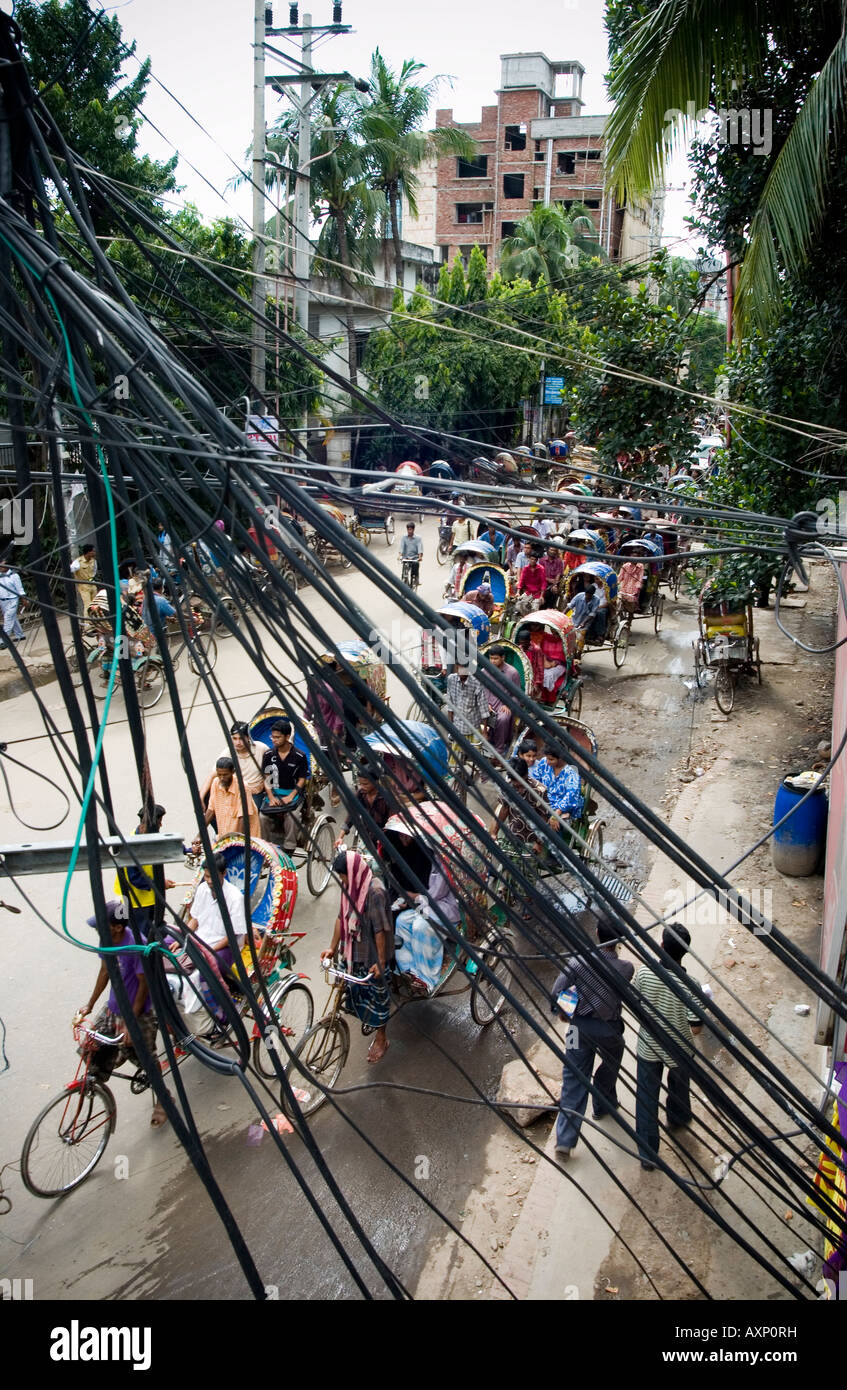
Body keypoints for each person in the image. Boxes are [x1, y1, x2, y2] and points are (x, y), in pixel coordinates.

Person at [78, 899, 167, 1127]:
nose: (98, 931)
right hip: (113, 1007)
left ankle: (163, 1098)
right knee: (90, 1048)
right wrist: (89, 1004)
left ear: (117, 926)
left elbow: (143, 986)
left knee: (146, 1059)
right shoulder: (106, 942)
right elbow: (104, 971)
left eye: (102, 926)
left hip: (139, 1012)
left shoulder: (136, 946)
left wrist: (130, 1022)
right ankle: (95, 1085)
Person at [551, 918, 635, 1157]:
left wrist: (565, 1012)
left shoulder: (578, 962)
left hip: (576, 1029)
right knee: (611, 1064)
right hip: (609, 1030)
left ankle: (565, 1141)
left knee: (573, 1078)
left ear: (596, 933)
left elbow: (557, 992)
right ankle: (602, 1106)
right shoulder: (626, 968)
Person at [634, 923, 702, 1171]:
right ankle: (679, 1118)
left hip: (648, 1046)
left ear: (661, 946)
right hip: (680, 1048)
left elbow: (637, 1003)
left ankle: (648, 1154)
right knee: (680, 1085)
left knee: (646, 1097)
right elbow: (696, 1027)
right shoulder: (691, 984)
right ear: (685, 952)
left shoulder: (644, 973)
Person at [322, 851, 393, 1062]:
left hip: (373, 954)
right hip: (352, 949)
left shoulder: (375, 892)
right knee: (344, 984)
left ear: (352, 873)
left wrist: (380, 962)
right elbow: (340, 917)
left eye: (344, 876)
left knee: (378, 998)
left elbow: (380, 930)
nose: (342, 881)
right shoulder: (349, 886)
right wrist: (332, 948)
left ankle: (382, 1038)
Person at [394, 853, 461, 994]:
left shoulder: (446, 859)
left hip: (446, 908)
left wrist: (415, 896)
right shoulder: (431, 855)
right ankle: (409, 970)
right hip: (428, 905)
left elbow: (436, 893)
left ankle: (427, 979)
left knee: (421, 927)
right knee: (402, 921)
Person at [113, 804, 176, 942]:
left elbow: (167, 846)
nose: (161, 824)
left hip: (147, 899)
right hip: (135, 903)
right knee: (141, 938)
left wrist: (188, 850)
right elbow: (134, 878)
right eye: (159, 821)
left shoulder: (149, 837)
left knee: (153, 934)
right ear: (150, 823)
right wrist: (159, 883)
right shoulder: (131, 844)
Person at [201, 722, 264, 836]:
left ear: (248, 738)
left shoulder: (261, 749)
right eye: (234, 739)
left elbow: (270, 771)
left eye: (241, 738)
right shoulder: (227, 753)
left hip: (254, 791)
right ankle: (221, 833)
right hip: (231, 788)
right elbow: (213, 775)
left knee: (242, 814)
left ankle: (234, 838)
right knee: (208, 800)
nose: (238, 742)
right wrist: (200, 798)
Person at [259, 718, 309, 851]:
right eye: (272, 737)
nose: (273, 740)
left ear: (287, 737)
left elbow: (302, 779)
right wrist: (270, 797)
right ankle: (265, 848)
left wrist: (291, 796)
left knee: (292, 816)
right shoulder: (269, 755)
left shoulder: (300, 756)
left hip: (292, 793)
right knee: (263, 817)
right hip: (274, 792)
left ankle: (289, 847)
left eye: (277, 737)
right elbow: (266, 777)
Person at [333, 763, 391, 850]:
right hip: (367, 838)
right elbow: (352, 815)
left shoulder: (386, 797)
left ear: (376, 782)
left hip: (385, 841)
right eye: (360, 784)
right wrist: (340, 837)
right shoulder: (361, 794)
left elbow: (392, 822)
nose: (362, 787)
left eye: (365, 784)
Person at [530, 744, 584, 826]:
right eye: (547, 758)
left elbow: (570, 796)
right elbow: (534, 780)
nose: (547, 762)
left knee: (555, 826)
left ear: (561, 758)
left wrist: (556, 814)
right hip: (543, 804)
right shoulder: (544, 763)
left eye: (551, 759)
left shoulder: (571, 771)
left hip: (563, 808)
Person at [205, 756, 257, 838]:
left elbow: (243, 816)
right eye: (219, 775)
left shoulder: (242, 787)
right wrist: (200, 835)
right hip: (225, 836)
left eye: (225, 775)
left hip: (243, 837)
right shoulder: (215, 783)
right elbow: (211, 810)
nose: (222, 778)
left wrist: (236, 841)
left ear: (233, 772)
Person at [485, 645, 522, 754]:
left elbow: (517, 695)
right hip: (488, 704)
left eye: (495, 658)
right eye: (491, 658)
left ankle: (499, 748)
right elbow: (480, 690)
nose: (493, 661)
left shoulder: (512, 673)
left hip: (504, 704)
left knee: (503, 718)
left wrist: (508, 704)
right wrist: (485, 703)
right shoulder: (485, 670)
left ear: (503, 658)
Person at [445, 665, 490, 741]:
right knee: (456, 751)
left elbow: (484, 708)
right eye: (459, 668)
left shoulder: (476, 682)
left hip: (473, 727)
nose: (461, 671)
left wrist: (485, 732)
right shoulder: (451, 679)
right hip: (457, 726)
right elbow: (450, 704)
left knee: (474, 752)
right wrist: (450, 727)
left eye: (464, 668)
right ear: (456, 668)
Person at [0, 558, 25, 643]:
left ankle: (3, 641)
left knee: (8, 618)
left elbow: (20, 589)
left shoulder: (14, 575)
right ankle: (20, 635)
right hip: (3, 600)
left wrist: (23, 599)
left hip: (13, 599)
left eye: (3, 566)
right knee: (12, 618)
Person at [516, 548, 546, 615]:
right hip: (528, 592)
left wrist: (542, 596)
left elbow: (543, 583)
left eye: (535, 560)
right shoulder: (525, 569)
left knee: (535, 608)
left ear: (537, 560)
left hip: (537, 593)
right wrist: (518, 592)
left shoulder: (541, 569)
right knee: (519, 605)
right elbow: (521, 581)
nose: (533, 561)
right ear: (529, 559)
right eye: (532, 559)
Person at [70, 544, 97, 615]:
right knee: (88, 605)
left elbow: (94, 571)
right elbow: (71, 569)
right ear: (88, 552)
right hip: (83, 585)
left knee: (96, 604)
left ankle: (97, 621)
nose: (94, 553)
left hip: (92, 583)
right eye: (93, 551)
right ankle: (88, 624)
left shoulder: (93, 561)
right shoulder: (78, 562)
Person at [398, 521, 423, 586]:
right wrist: (400, 555)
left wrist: (420, 557)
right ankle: (404, 582)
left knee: (415, 566)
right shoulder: (404, 537)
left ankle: (416, 579)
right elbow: (401, 547)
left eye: (410, 529)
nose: (409, 531)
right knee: (404, 572)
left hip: (414, 558)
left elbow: (420, 548)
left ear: (413, 529)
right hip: (406, 557)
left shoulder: (418, 538)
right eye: (408, 529)